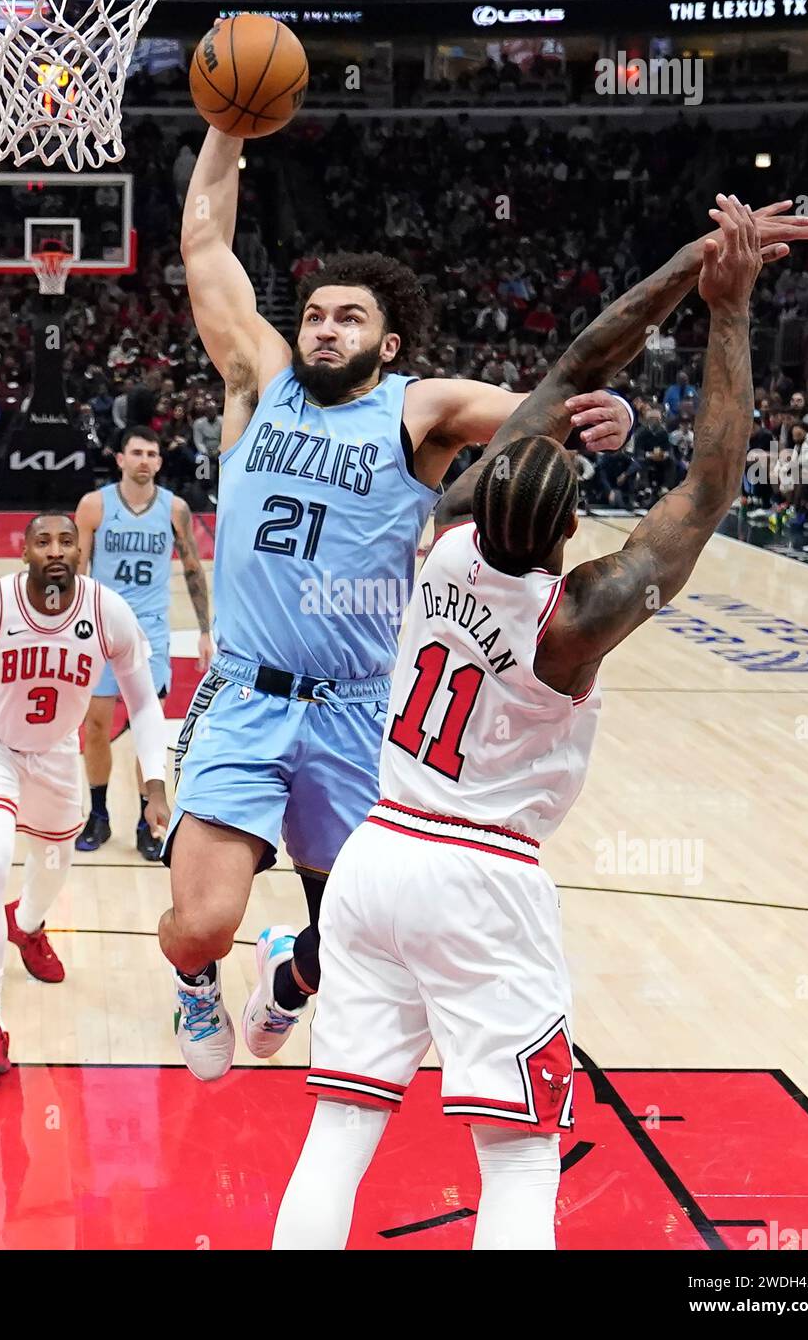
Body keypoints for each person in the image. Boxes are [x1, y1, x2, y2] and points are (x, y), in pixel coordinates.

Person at [273, 195, 765, 1251]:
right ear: (574, 532)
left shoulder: (438, 541)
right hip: (481, 883)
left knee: (340, 1130)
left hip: (374, 857)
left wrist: (687, 266)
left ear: (480, 494)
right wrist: (729, 311)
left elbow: (570, 372)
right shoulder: (572, 622)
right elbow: (709, 485)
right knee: (518, 1153)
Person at [157, 121, 654, 1083]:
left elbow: (546, 402)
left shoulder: (417, 409)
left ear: (386, 342)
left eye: (348, 318)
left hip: (356, 709)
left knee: (362, 942)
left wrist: (613, 415)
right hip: (247, 695)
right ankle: (193, 983)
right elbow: (205, 245)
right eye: (313, 314)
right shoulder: (259, 381)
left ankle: (288, 982)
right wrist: (225, 129)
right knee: (203, 923)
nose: (324, 327)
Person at [0, 513, 170, 1083]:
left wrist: (153, 784)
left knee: (53, 863)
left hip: (53, 754)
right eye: (42, 541)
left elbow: (144, 704)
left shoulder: (106, 612)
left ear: (81, 554)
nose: (55, 550)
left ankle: (25, 926)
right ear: (24, 552)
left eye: (66, 541)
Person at [74, 428, 212, 860]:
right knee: (95, 727)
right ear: (119, 459)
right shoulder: (94, 505)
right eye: (136, 453)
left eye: (152, 453)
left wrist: (205, 630)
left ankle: (144, 819)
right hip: (98, 629)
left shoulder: (175, 508)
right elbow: (77, 569)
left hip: (149, 634)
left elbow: (192, 568)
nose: (144, 460)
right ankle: (98, 814)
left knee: (145, 733)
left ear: (159, 461)